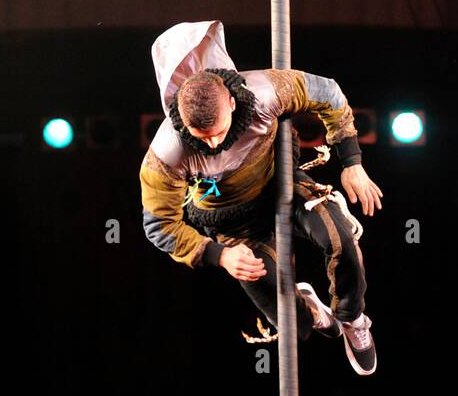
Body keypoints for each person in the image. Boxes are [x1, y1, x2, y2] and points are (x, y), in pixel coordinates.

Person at [140, 19, 382, 374]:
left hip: (281, 185)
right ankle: (313, 313)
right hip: (232, 222)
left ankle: (352, 317)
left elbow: (328, 94)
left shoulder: (265, 92)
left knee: (341, 241)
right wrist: (218, 255)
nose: (212, 144)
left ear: (233, 106)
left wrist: (351, 162)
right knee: (288, 320)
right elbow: (159, 225)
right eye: (200, 136)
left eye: (217, 133)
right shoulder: (166, 154)